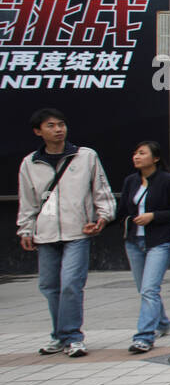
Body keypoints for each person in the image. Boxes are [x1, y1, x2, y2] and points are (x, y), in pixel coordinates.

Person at [16, 108, 114, 357]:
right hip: (45, 233)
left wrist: (103, 217)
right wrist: (25, 229)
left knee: (71, 283)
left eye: (61, 124)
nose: (59, 129)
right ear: (38, 131)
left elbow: (101, 190)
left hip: (78, 231)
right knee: (49, 285)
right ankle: (58, 335)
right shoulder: (30, 163)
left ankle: (72, 336)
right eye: (51, 125)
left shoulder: (85, 157)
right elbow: (27, 200)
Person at [117, 140, 170, 354]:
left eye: (142, 153)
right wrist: (98, 222)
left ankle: (144, 336)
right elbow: (121, 211)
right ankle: (163, 322)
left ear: (155, 158)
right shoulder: (130, 181)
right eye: (135, 153)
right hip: (134, 242)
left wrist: (153, 216)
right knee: (145, 289)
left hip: (159, 241)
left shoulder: (168, 181)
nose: (136, 157)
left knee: (149, 289)